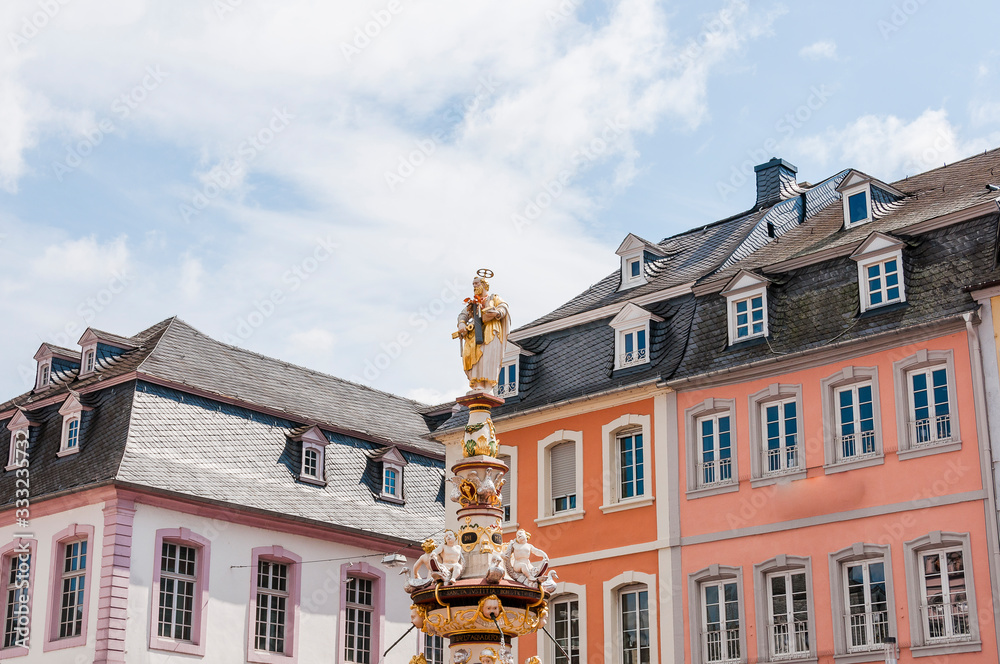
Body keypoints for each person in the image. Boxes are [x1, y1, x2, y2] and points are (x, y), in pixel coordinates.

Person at [455, 273, 510, 394]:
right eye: (473, 284)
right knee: (474, 357)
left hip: (491, 330)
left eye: (476, 284)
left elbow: (504, 307)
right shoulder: (473, 303)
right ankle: (477, 383)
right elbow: (463, 315)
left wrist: (497, 313)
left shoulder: (493, 298)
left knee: (487, 356)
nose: (474, 286)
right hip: (475, 333)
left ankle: (487, 384)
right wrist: (462, 324)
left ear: (484, 285)